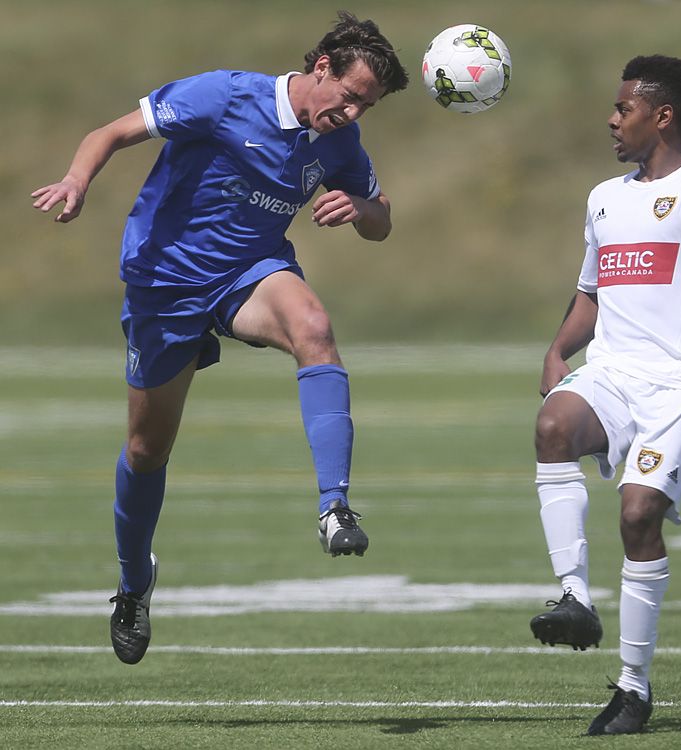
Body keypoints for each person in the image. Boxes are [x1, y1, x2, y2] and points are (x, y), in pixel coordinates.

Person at [31, 11, 409, 666]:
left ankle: (334, 507)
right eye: (348, 95)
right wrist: (76, 179)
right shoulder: (226, 95)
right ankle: (132, 583)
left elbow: (382, 222)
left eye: (365, 105)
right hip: (165, 284)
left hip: (248, 275)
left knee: (315, 328)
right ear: (321, 68)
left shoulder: (341, 144)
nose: (352, 112)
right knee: (146, 450)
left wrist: (361, 210)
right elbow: (112, 131)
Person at [528, 54, 681, 735]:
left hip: (678, 387)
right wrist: (556, 350)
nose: (611, 118)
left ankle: (632, 689)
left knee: (637, 516)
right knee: (552, 428)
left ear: (661, 116)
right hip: (613, 371)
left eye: (622, 108)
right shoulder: (604, 197)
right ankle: (574, 597)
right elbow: (591, 295)